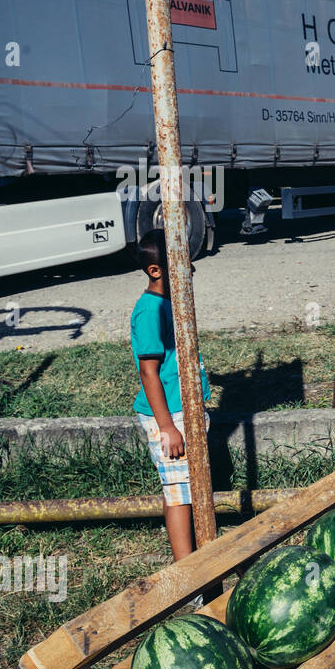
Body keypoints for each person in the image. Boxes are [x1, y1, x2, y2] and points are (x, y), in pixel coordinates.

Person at [130, 229, 212, 562]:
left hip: (182, 410)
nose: (190, 267)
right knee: (179, 495)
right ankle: (186, 572)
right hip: (168, 416)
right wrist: (167, 426)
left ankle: (194, 557)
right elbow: (148, 371)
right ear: (156, 270)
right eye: (181, 261)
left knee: (182, 488)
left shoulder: (170, 302)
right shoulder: (150, 311)